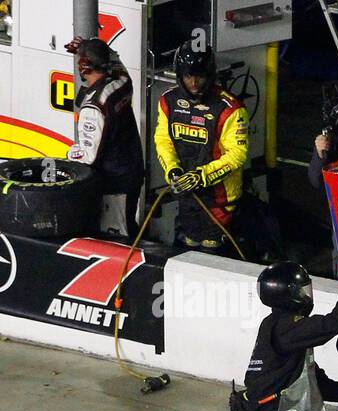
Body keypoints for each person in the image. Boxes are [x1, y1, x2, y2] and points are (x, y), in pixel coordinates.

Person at [230, 262, 338, 411]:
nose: (306, 296)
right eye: (301, 291)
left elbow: (309, 381)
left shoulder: (279, 325)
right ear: (287, 295)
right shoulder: (285, 328)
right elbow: (333, 323)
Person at [154, 41, 249, 252]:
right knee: (188, 248)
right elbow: (163, 140)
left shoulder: (230, 108)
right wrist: (173, 169)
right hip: (186, 194)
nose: (194, 82)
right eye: (188, 76)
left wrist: (201, 176)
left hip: (219, 199)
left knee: (212, 252)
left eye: (199, 76)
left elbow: (237, 155)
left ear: (210, 74)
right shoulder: (168, 101)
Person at [64, 37, 144, 237]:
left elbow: (89, 157)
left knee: (115, 237)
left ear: (84, 67)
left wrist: (71, 154)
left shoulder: (93, 106)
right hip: (131, 171)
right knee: (127, 227)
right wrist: (97, 48)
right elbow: (117, 64)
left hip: (114, 183)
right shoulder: (122, 83)